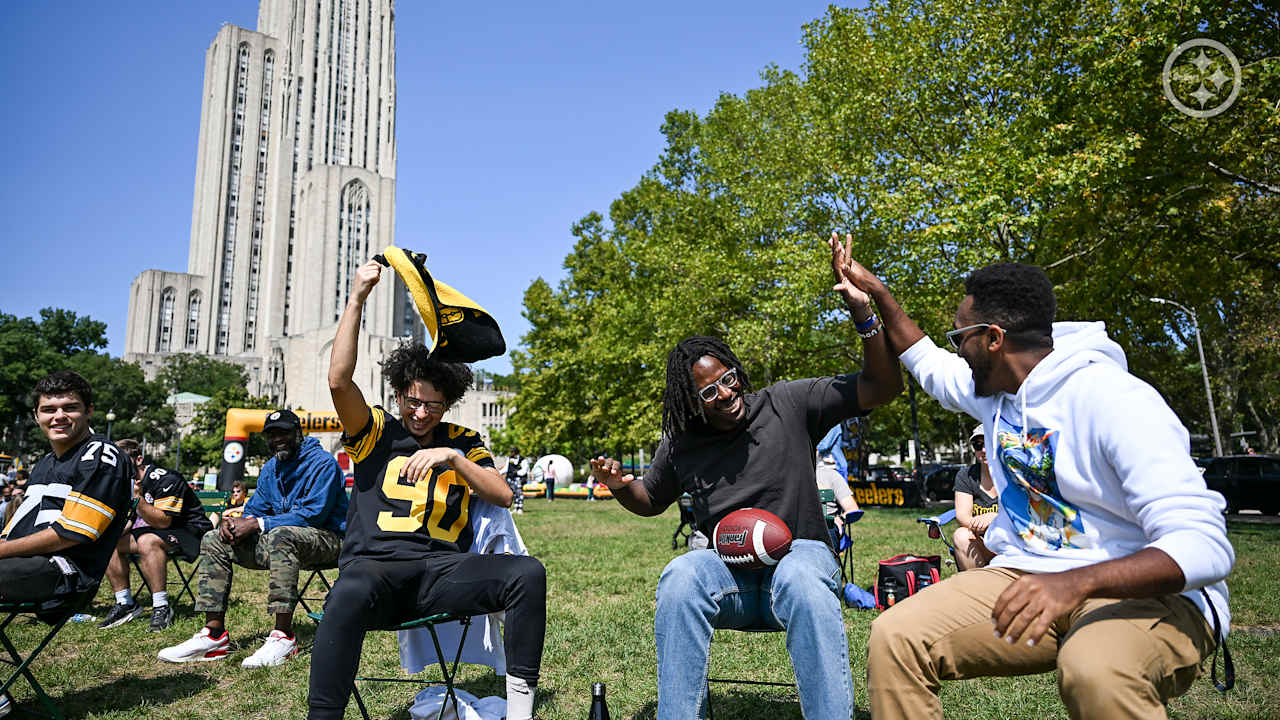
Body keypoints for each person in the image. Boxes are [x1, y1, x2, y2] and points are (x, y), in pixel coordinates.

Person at [835, 258, 1234, 719]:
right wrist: (877, 298)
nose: (957, 350)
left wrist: (1075, 583)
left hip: (1148, 595)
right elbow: (926, 362)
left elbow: (1204, 546)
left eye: (960, 337)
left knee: (1096, 669)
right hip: (1027, 576)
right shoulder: (995, 390)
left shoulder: (1117, 401)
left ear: (994, 339)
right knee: (896, 636)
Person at [589, 233, 903, 719]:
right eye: (708, 392)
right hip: (729, 576)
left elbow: (882, 387)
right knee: (680, 576)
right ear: (692, 402)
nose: (725, 393)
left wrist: (864, 314)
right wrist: (620, 487)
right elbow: (650, 498)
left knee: (801, 575)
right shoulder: (683, 440)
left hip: (799, 562)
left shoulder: (789, 404)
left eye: (728, 379)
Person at [309, 258, 546, 720]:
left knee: (527, 573)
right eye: (413, 401)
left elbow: (501, 495)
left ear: (448, 404)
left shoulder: (463, 441)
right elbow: (339, 381)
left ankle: (521, 712)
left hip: (442, 573)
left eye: (433, 406)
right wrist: (357, 298)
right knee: (349, 589)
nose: (420, 414)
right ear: (399, 394)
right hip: (376, 571)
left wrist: (453, 458)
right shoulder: (377, 430)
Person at [157, 409, 347, 667]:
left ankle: (284, 636)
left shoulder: (322, 463)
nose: (277, 439)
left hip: (329, 541)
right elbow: (255, 509)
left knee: (282, 534)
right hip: (286, 542)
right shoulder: (271, 468)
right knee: (213, 538)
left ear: (298, 433)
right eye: (271, 434)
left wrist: (256, 523)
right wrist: (235, 524)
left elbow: (314, 514)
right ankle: (214, 635)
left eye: (283, 433)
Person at [0, 370, 132, 605]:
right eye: (49, 409)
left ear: (89, 411)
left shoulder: (100, 455)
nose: (59, 416)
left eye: (70, 408)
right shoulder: (45, 463)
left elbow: (71, 534)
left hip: (64, 572)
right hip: (24, 561)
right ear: (36, 415)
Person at [99, 439, 213, 631]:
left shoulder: (166, 479)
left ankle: (161, 606)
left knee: (147, 541)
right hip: (159, 531)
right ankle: (125, 603)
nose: (118, 468)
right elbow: (129, 520)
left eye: (123, 462)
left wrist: (137, 498)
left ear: (138, 460)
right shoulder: (125, 483)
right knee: (109, 542)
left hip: (190, 529)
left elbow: (163, 522)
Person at [951, 424, 998, 571]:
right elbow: (962, 516)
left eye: (989, 443)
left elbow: (1024, 515)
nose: (983, 450)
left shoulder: (1013, 475)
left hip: (1012, 542)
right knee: (961, 535)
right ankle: (978, 583)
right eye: (978, 445)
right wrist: (983, 524)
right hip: (981, 543)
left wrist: (995, 517)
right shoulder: (966, 475)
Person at [504, 449, 525, 514]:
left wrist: (517, 472)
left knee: (519, 493)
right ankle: (516, 507)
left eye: (512, 452)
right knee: (514, 494)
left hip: (518, 478)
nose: (511, 453)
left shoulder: (522, 459)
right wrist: (498, 472)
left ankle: (520, 508)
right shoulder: (509, 459)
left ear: (515, 452)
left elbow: (524, 470)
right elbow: (506, 468)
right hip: (510, 478)